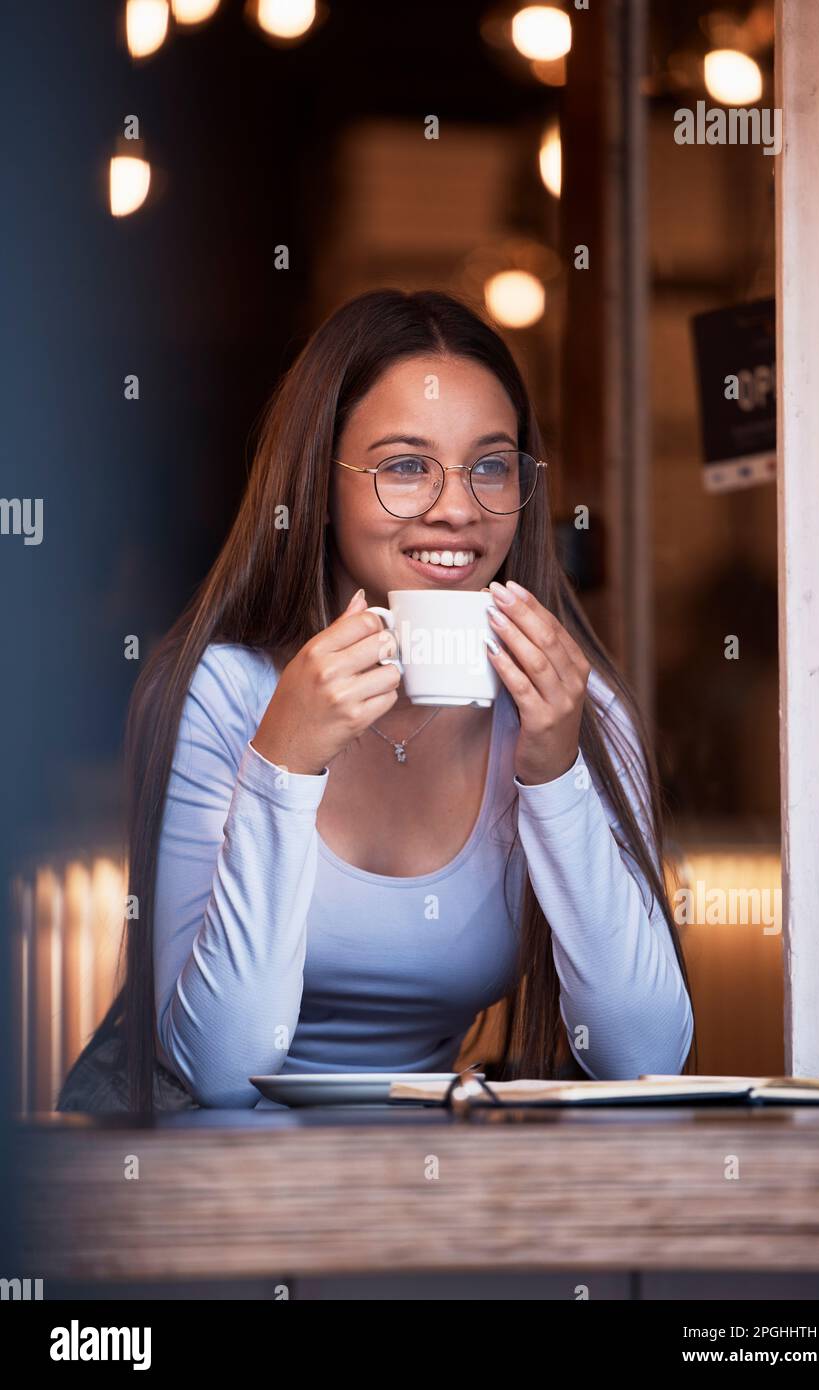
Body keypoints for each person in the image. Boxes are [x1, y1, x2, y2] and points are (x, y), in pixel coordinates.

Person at [57, 288, 695, 1113]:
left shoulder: (573, 708)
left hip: (427, 1169)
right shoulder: (221, 692)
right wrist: (281, 765)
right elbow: (217, 1071)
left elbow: (641, 1055)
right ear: (318, 485)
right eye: (403, 466)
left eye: (490, 464)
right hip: (222, 1187)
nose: (458, 508)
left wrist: (554, 773)